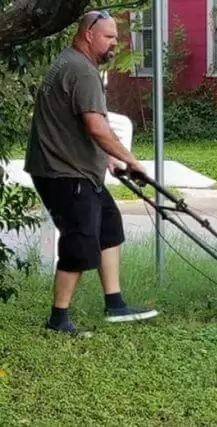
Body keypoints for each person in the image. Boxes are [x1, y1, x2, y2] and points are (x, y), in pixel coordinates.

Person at [24, 10, 159, 336]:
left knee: (109, 227)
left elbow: (68, 123)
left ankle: (115, 303)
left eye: (116, 36)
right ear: (88, 35)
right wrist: (131, 159)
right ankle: (58, 320)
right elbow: (96, 127)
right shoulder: (82, 72)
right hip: (63, 172)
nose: (115, 42)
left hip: (73, 168)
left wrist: (107, 160)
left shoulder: (69, 63)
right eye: (109, 37)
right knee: (80, 242)